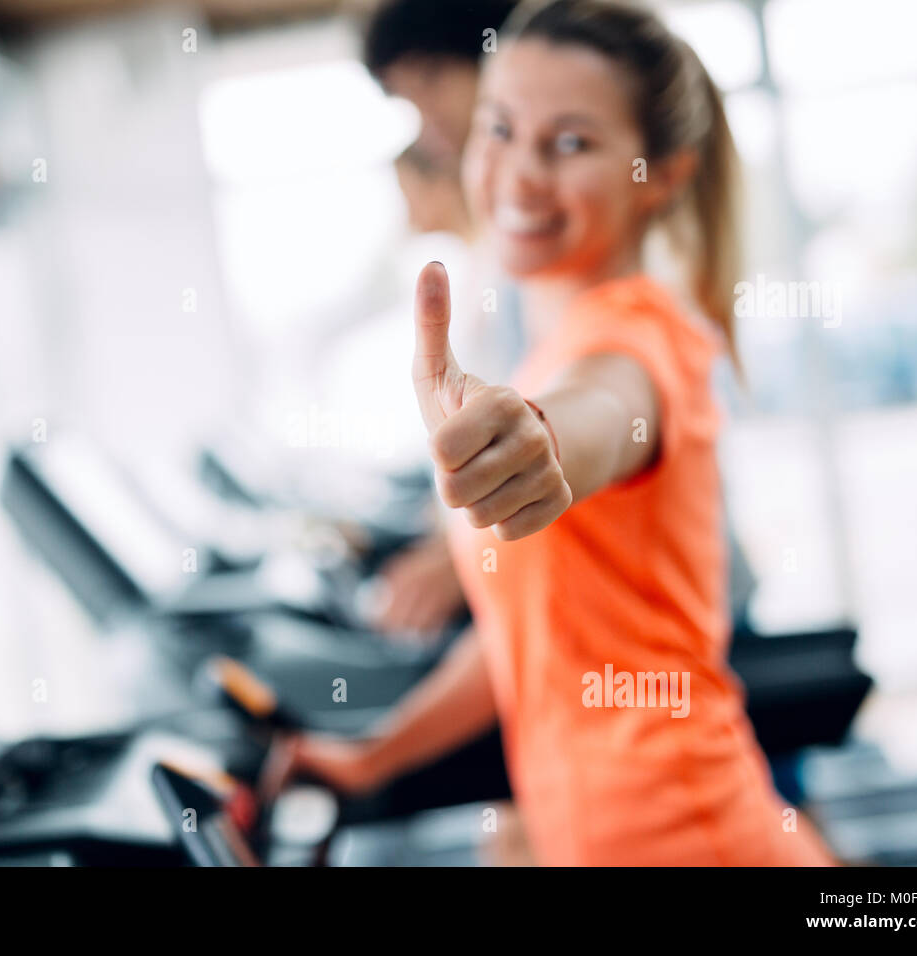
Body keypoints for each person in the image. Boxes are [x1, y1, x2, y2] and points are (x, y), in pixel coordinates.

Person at [265, 0, 835, 866]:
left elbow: (604, 411)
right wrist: (372, 756)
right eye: (501, 129)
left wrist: (538, 440)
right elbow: (525, 640)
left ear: (661, 175)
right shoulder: (551, 349)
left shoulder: (639, 339)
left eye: (570, 143)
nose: (519, 175)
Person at [364, 0, 522, 639]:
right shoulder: (500, 250)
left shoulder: (546, 243)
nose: (427, 124)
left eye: (430, 82)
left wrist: (469, 547)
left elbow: (577, 414)